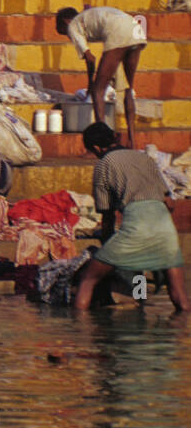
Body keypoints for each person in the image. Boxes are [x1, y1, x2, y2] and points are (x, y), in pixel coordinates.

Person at [73, 123, 186, 313]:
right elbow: (169, 201)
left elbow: (107, 214)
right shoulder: (144, 158)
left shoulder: (104, 164)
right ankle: (142, 304)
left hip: (137, 227)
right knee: (181, 300)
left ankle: (80, 328)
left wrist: (107, 246)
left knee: (88, 279)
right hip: (165, 228)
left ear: (97, 148)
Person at [55, 5, 145, 148]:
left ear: (65, 22)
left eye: (65, 33)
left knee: (98, 91)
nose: (69, 36)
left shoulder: (72, 25)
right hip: (136, 29)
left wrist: (91, 84)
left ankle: (103, 144)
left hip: (119, 31)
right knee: (128, 89)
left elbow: (90, 59)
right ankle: (132, 142)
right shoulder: (86, 17)